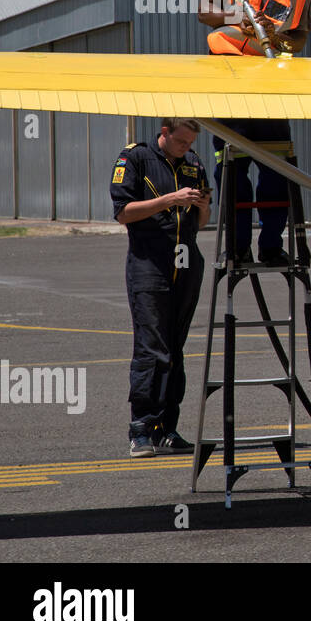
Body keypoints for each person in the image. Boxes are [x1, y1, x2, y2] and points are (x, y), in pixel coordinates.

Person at [197, 0, 311, 265]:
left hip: (271, 83)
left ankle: (272, 246)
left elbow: (300, 38)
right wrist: (238, 18)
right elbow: (205, 10)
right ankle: (238, 246)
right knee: (233, 166)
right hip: (229, 78)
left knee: (276, 166)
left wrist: (276, 34)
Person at [111, 119, 210, 458]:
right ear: (164, 133)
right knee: (152, 347)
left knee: (176, 348)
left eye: (190, 142)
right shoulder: (136, 159)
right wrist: (170, 198)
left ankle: (168, 427)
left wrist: (202, 206)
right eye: (180, 141)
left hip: (186, 264)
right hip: (149, 264)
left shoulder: (194, 163)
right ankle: (141, 428)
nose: (186, 148)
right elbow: (123, 213)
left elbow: (201, 222)